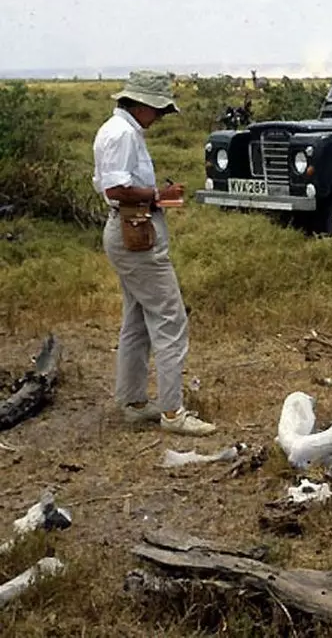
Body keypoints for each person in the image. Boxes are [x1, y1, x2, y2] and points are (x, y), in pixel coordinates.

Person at [92, 70, 216, 436]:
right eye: (158, 110)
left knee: (136, 319)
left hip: (131, 229)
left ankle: (133, 402)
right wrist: (156, 196)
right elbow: (116, 188)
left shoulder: (118, 130)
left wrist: (152, 195)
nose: (159, 117)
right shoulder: (123, 134)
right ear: (142, 104)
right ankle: (173, 411)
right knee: (170, 319)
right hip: (135, 231)